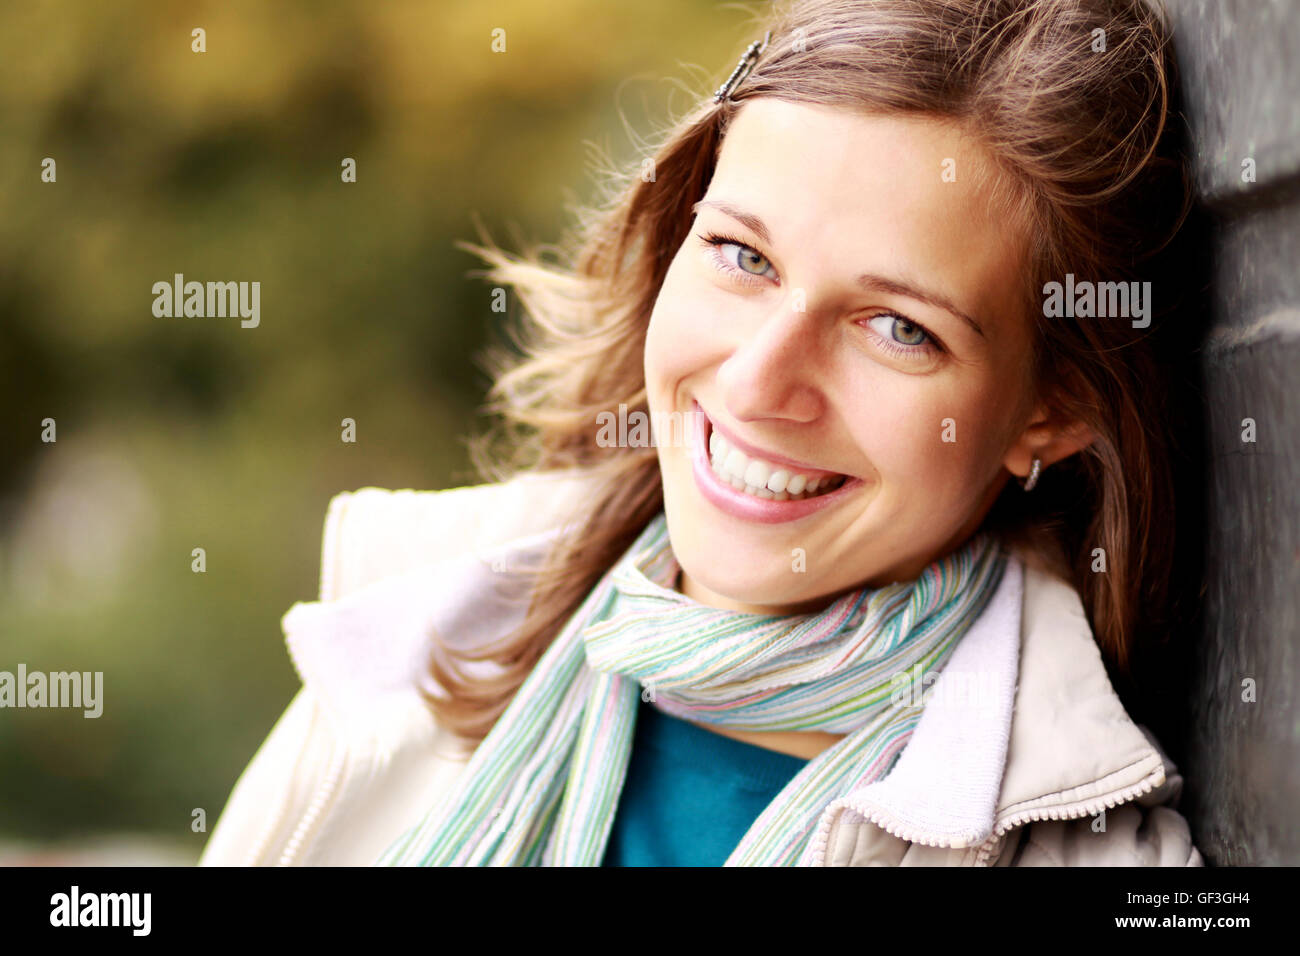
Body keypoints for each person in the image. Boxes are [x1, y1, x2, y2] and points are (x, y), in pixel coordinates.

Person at [200, 0, 1203, 866]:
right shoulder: (404, 637)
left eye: (898, 327)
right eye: (739, 254)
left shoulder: (1085, 845)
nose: (760, 380)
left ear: (1053, 407)